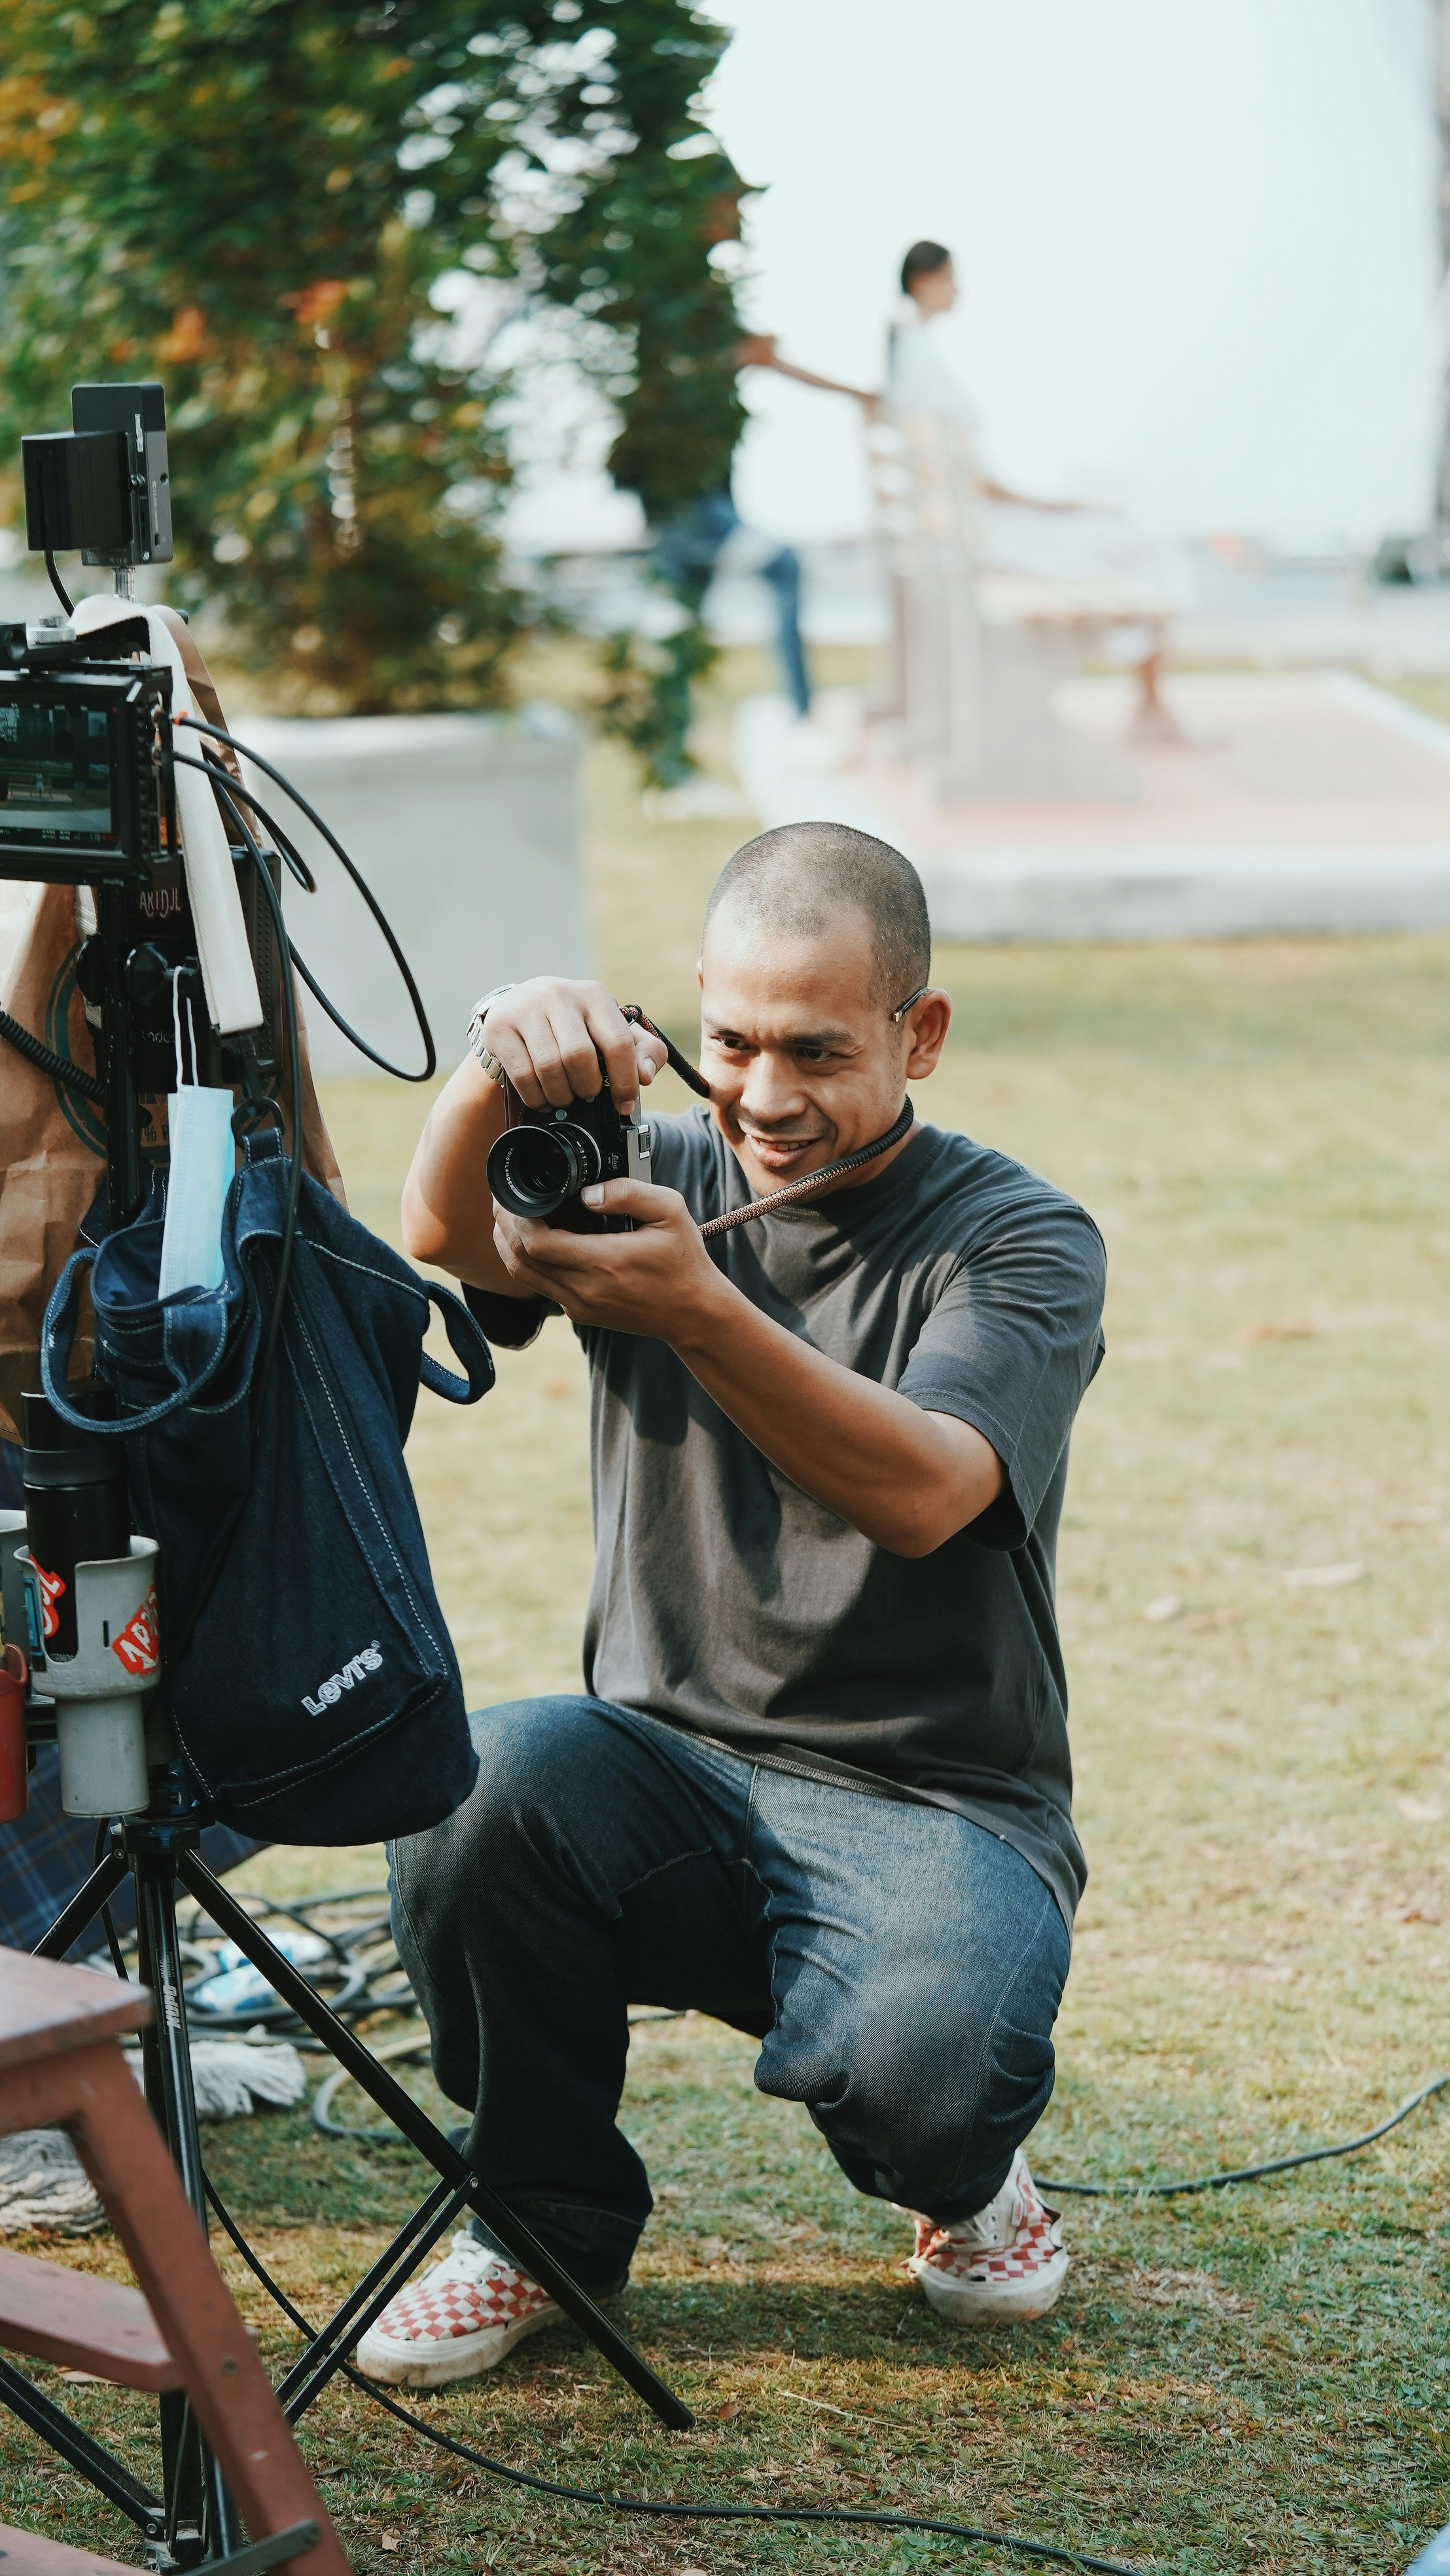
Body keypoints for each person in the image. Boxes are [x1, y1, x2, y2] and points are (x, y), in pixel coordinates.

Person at [357, 822, 1106, 2388]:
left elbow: (921, 1488)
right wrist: (502, 1053)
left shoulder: (1016, 1236)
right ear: (692, 1009)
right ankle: (533, 2224)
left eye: (818, 1050)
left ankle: (965, 2181)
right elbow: (434, 1237)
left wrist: (697, 1309)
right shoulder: (650, 1163)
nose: (763, 1097)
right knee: (474, 1781)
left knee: (924, 2080)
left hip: (928, 1799)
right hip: (661, 1772)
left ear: (921, 1032)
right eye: (731, 1043)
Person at [754, 240, 1190, 743]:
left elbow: (917, 437)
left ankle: (1152, 704)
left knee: (1119, 527)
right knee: (1142, 539)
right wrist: (1045, 504)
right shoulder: (919, 362)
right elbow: (968, 480)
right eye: (951, 277)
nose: (959, 290)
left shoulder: (908, 354)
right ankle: (1153, 707)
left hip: (960, 531)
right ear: (924, 281)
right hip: (983, 535)